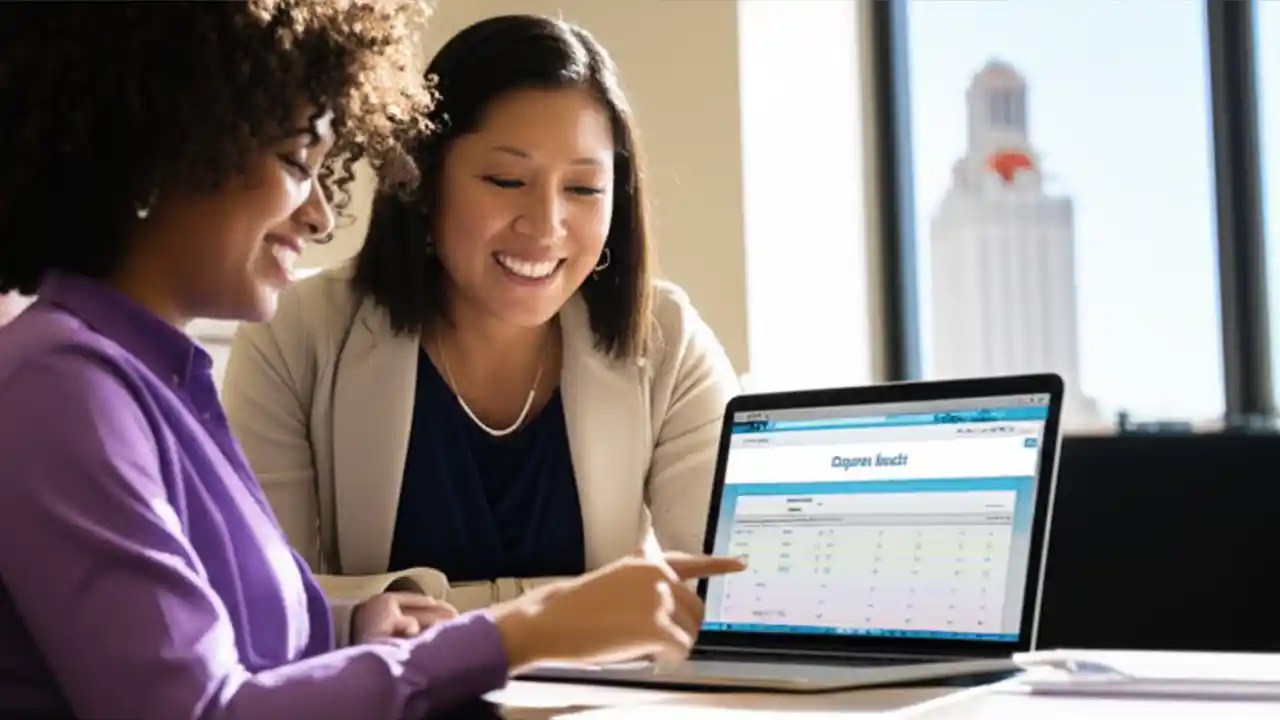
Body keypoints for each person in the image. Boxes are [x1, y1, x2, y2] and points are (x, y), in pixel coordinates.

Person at [0, 4, 743, 718]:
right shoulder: (60, 389)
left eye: (584, 187)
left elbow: (238, 631)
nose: (321, 215)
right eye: (297, 162)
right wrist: (524, 628)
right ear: (165, 153)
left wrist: (353, 622)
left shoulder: (151, 381)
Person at [223, 14, 740, 611]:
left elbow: (728, 583)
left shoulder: (666, 336)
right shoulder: (297, 330)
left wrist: (408, 609)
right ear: (421, 179)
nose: (546, 225)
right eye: (505, 179)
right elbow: (257, 593)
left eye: (583, 189)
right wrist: (360, 621)